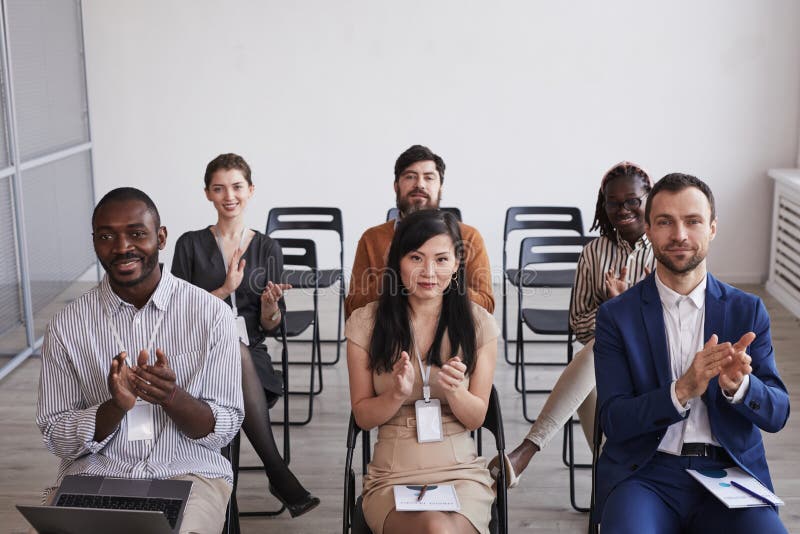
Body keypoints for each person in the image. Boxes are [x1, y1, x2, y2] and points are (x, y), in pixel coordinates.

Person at [37, 188, 244, 534]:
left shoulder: (211, 315)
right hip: (95, 475)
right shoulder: (65, 326)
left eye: (136, 233)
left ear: (161, 237)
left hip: (187, 474)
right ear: (94, 242)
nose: (121, 247)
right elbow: (56, 434)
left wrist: (172, 397)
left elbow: (224, 426)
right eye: (106, 236)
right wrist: (113, 408)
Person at [594, 173, 789, 532]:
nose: (680, 235)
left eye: (693, 221)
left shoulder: (748, 311)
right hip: (647, 475)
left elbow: (777, 414)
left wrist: (741, 388)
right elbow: (614, 421)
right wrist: (681, 390)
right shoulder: (616, 316)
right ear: (649, 230)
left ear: (712, 228)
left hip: (729, 473)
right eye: (665, 222)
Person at [171, 153, 319, 517]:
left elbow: (269, 326)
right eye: (219, 188)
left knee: (237, 352)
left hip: (251, 356)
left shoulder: (268, 247)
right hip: (197, 353)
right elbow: (175, 312)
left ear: (250, 190)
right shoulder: (189, 244)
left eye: (237, 187)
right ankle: (276, 471)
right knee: (228, 353)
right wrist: (224, 289)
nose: (229, 195)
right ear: (207, 193)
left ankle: (222, 497)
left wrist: (271, 306)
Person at [498, 161, 655, 481]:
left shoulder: (665, 249)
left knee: (595, 356)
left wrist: (622, 310)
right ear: (603, 204)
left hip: (655, 366)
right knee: (594, 366)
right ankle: (616, 490)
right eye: (613, 202)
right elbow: (579, 324)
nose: (623, 209)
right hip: (609, 366)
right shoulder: (594, 253)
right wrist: (612, 310)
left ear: (649, 200)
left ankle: (527, 450)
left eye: (632, 201)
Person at [346, 209, 499, 534]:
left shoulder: (479, 324)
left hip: (460, 473)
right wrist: (395, 395)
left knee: (440, 529)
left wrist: (456, 392)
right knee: (435, 529)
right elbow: (363, 417)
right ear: (397, 261)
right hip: (393, 474)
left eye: (441, 259)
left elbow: (476, 418)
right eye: (416, 258)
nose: (429, 271)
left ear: (458, 262)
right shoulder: (365, 323)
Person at [345, 144, 494, 319]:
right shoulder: (371, 238)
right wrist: (391, 272)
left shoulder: (469, 237)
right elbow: (352, 309)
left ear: (440, 188)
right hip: (389, 337)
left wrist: (443, 277)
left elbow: (486, 307)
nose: (420, 184)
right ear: (396, 186)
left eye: (429, 178)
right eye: (410, 177)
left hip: (450, 337)